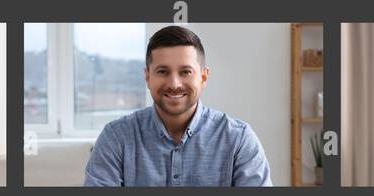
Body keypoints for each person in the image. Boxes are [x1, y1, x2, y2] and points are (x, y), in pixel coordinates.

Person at [83, 26, 271, 187]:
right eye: (163, 71)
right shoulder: (116, 137)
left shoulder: (239, 140)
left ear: (203, 77)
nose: (174, 83)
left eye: (185, 72)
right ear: (148, 77)